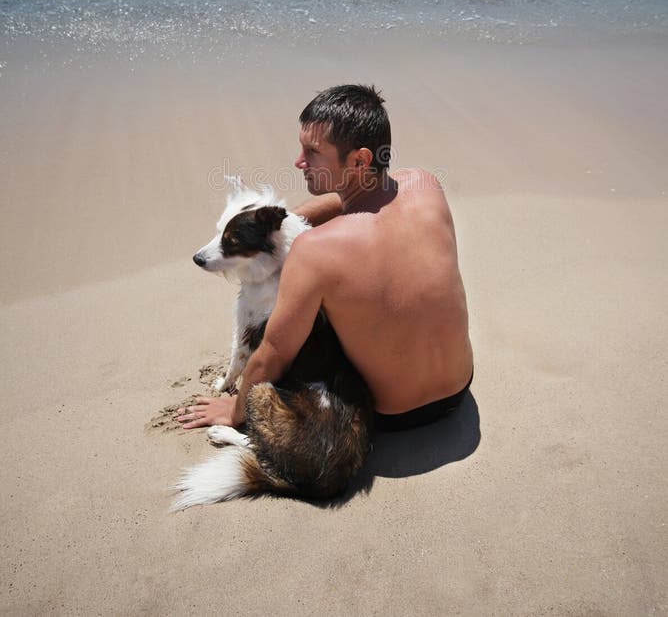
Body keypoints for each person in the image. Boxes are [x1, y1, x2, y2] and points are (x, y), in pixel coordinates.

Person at [177, 84, 473, 432]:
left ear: (360, 160)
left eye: (313, 151)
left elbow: (273, 353)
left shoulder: (316, 251)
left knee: (303, 331)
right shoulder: (425, 185)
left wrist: (235, 411)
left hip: (391, 415)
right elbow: (360, 200)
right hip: (458, 390)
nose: (299, 162)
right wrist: (284, 225)